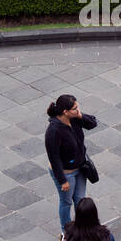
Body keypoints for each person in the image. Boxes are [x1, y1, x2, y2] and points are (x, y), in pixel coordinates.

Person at [45, 95, 98, 229]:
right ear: (65, 111)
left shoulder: (74, 118)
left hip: (80, 168)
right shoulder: (53, 131)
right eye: (75, 108)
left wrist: (80, 116)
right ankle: (66, 231)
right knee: (66, 202)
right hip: (66, 173)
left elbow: (93, 123)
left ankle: (82, 228)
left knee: (80, 200)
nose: (78, 110)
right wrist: (62, 180)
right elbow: (54, 158)